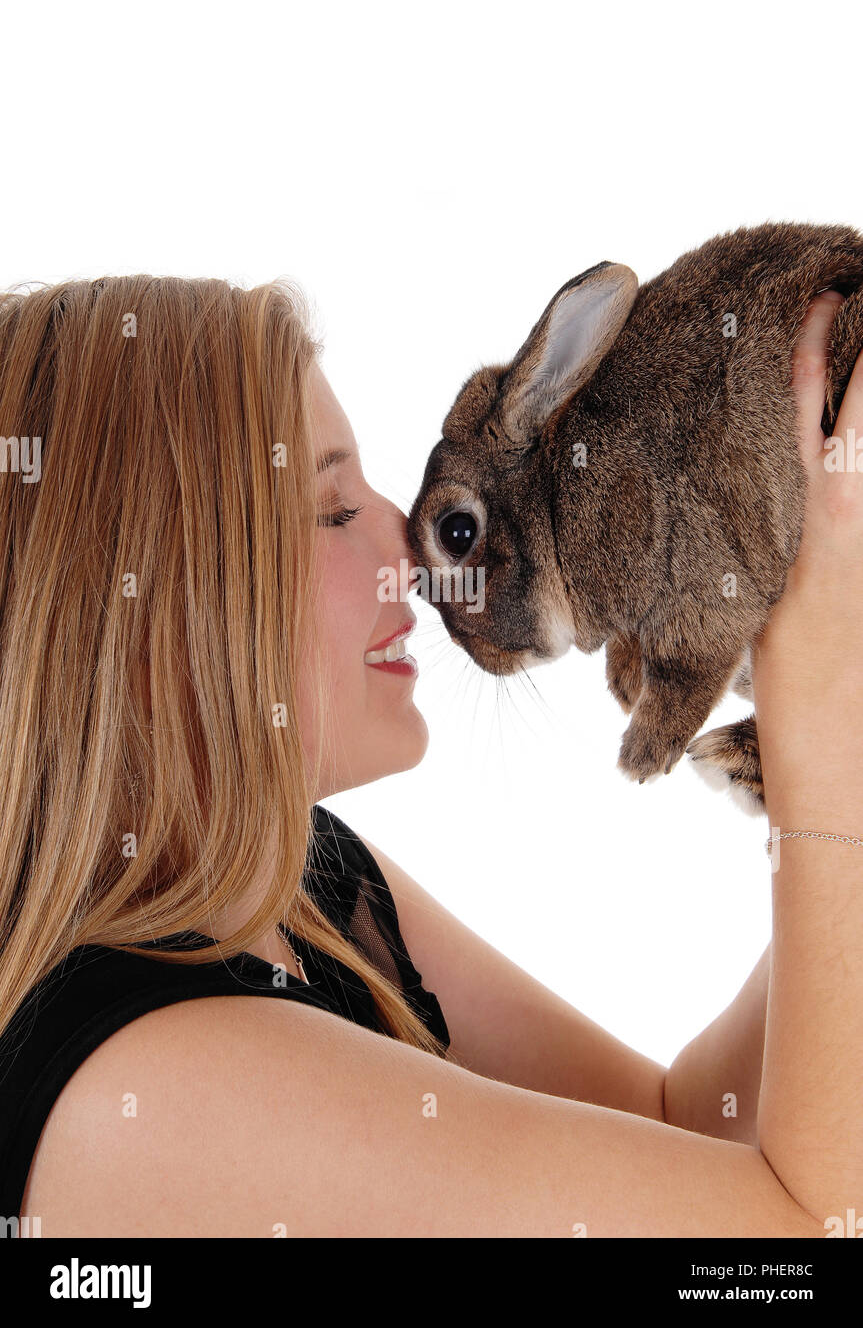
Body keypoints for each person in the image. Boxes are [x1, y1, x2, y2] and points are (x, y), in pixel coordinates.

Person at [0, 276, 859, 1237]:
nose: (405, 551)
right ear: (150, 611)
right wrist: (824, 720)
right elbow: (800, 1250)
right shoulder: (159, 1090)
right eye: (330, 512)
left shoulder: (308, 890)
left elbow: (682, 1128)